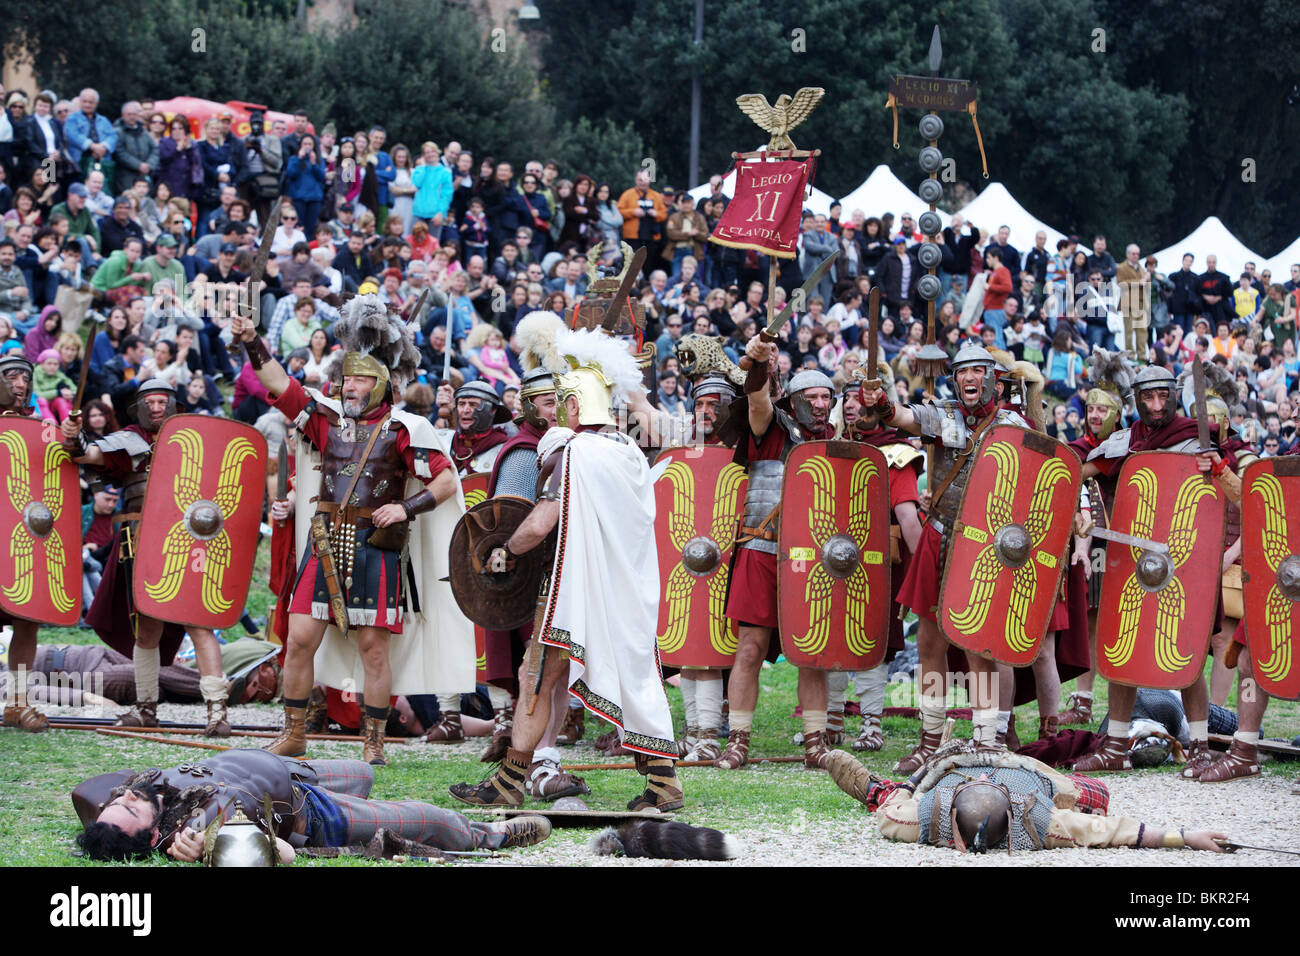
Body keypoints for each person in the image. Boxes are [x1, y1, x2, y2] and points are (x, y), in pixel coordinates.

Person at [450, 322, 683, 811]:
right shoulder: (629, 453)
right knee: (633, 678)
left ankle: (510, 781)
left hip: (575, 594)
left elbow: (539, 523)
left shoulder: (574, 453)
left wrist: (506, 551)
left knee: (535, 676)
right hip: (625, 593)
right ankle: (663, 783)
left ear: (574, 405)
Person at [231, 294, 470, 765]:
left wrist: (406, 508)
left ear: (381, 385)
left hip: (374, 551)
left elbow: (445, 480)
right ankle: (294, 733)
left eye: (360, 379)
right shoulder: (325, 421)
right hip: (322, 546)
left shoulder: (405, 428)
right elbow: (279, 384)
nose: (349, 387)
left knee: (373, 650)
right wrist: (251, 341)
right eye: (345, 379)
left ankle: (374, 742)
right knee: (298, 639)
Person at [858, 344, 1032, 768]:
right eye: (962, 372)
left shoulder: (1014, 426)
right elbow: (902, 417)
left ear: (992, 377)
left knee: (978, 645)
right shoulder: (945, 414)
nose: (969, 378)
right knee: (930, 643)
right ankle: (931, 740)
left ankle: (986, 740)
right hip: (939, 536)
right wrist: (880, 400)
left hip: (985, 546)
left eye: (977, 371)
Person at [1075, 365, 1229, 777]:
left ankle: (1198, 746)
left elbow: (1237, 483)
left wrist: (1215, 466)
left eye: (1163, 396)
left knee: (1188, 650)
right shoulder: (1127, 442)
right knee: (1122, 644)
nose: (1157, 406)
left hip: (1185, 561)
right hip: (1136, 563)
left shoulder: (1197, 438)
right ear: (1137, 399)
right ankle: (1116, 744)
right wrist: (1077, 509)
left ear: (1174, 395)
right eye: (1148, 398)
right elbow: (1079, 470)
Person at [60, 380, 233, 735]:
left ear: (173, 404)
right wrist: (74, 435)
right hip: (142, 543)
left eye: (162, 401)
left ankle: (217, 713)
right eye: (149, 402)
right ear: (139, 408)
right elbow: (86, 454)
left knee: (198, 622)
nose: (156, 407)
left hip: (191, 541)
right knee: (147, 627)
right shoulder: (128, 440)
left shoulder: (196, 437)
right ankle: (145, 709)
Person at [72, 750, 551, 863]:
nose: (129, 796)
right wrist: (206, 847)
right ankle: (495, 835)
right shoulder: (195, 831)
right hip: (315, 814)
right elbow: (282, 855)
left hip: (289, 769)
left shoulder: (123, 793)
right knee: (429, 818)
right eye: (132, 809)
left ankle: (352, 787)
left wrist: (110, 815)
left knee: (365, 771)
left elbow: (87, 793)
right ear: (154, 836)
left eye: (125, 799)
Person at [716, 337, 840, 771]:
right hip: (761, 550)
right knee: (749, 648)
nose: (821, 404)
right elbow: (755, 398)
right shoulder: (771, 428)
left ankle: (815, 744)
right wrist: (760, 364)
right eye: (813, 396)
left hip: (811, 559)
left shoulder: (836, 446)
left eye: (827, 396)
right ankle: (738, 740)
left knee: (812, 652)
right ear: (793, 399)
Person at [825, 741, 1229, 853]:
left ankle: (876, 790)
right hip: (951, 768)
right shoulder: (933, 812)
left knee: (1095, 796)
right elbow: (1107, 832)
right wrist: (921, 776)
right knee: (1096, 802)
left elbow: (1110, 827)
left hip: (1026, 773)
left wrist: (907, 787)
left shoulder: (1036, 816)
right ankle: (876, 788)